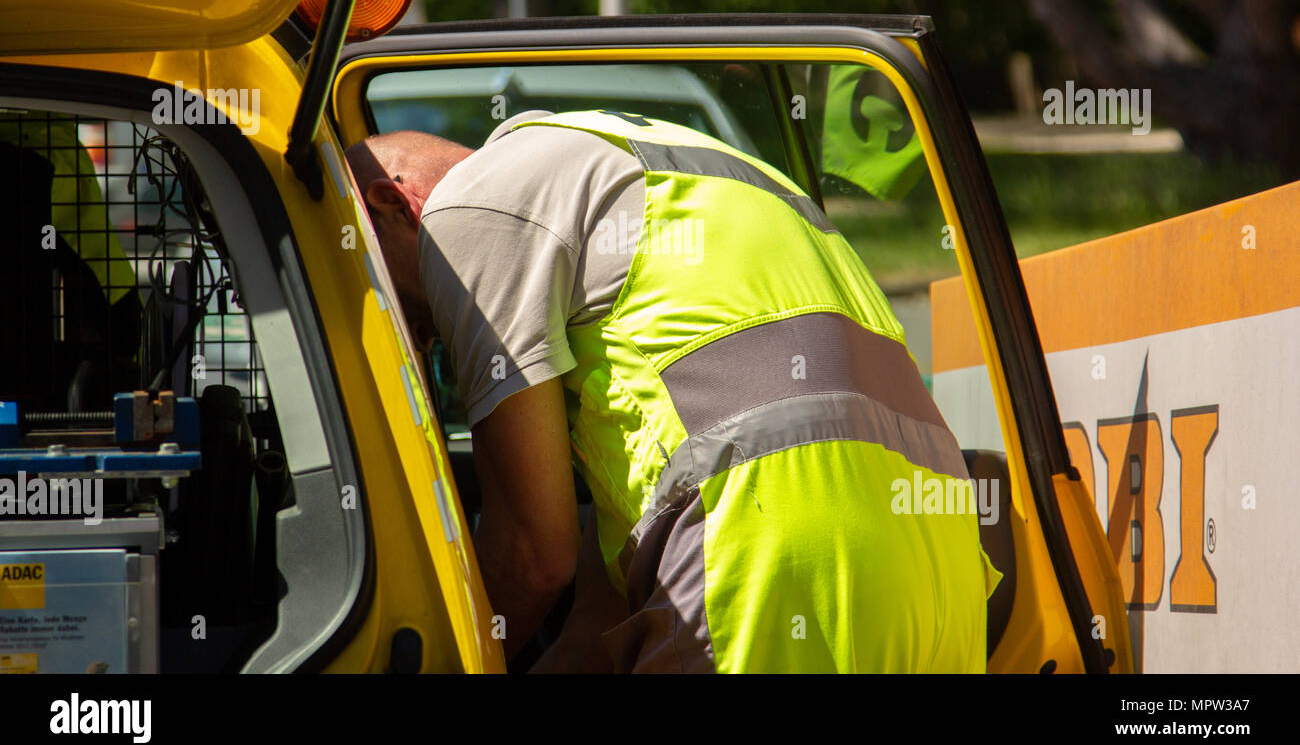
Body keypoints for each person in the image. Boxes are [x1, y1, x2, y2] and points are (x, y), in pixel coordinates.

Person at [346, 108, 999, 673]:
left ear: (390, 202)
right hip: (939, 575)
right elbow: (602, 621)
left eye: (415, 317)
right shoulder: (696, 169)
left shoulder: (470, 207)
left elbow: (530, 554)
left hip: (767, 564)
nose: (433, 339)